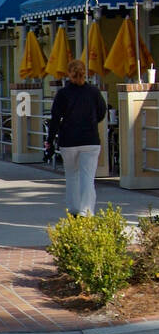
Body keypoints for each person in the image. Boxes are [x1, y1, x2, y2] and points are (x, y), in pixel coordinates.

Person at [47, 58, 107, 216]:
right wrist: (92, 122)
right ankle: (86, 211)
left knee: (72, 175)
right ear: (84, 73)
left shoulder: (63, 94)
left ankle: (73, 209)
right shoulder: (93, 92)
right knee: (88, 177)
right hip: (90, 139)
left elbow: (55, 118)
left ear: (68, 74)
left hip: (69, 140)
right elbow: (102, 111)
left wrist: (50, 139)